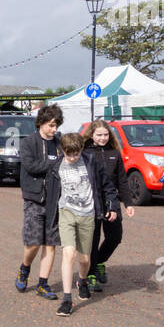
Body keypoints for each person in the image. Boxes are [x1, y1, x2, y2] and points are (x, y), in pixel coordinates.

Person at [47, 133, 119, 316]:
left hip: (88, 215)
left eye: (76, 154)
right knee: (68, 254)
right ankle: (67, 300)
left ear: (81, 150)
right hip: (67, 213)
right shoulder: (56, 166)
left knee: (84, 259)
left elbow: (107, 186)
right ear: (62, 151)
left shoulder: (92, 162)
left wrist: (113, 206)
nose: (72, 158)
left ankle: (82, 280)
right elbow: (50, 192)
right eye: (68, 154)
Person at [17, 105, 64, 299]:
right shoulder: (28, 143)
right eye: (51, 125)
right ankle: (24, 268)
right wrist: (55, 163)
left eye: (57, 125)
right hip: (34, 199)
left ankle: (43, 284)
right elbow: (31, 166)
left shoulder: (60, 143)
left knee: (50, 244)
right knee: (33, 244)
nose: (54, 129)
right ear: (42, 123)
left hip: (55, 200)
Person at [84, 120, 134, 289]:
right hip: (93, 202)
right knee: (93, 239)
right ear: (91, 135)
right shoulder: (85, 153)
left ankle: (98, 262)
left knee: (115, 237)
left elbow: (122, 180)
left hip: (111, 201)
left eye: (106, 135)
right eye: (99, 135)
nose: (103, 138)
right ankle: (90, 274)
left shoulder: (114, 153)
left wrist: (128, 203)